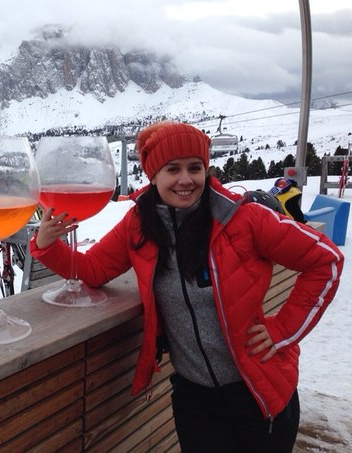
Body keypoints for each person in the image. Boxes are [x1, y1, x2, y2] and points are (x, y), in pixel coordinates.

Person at [30, 121, 344, 452]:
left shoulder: (243, 219)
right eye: (173, 169)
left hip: (257, 391)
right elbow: (94, 270)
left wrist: (282, 329)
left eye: (195, 168)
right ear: (153, 176)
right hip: (194, 399)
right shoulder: (138, 224)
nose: (185, 179)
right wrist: (48, 246)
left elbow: (326, 260)